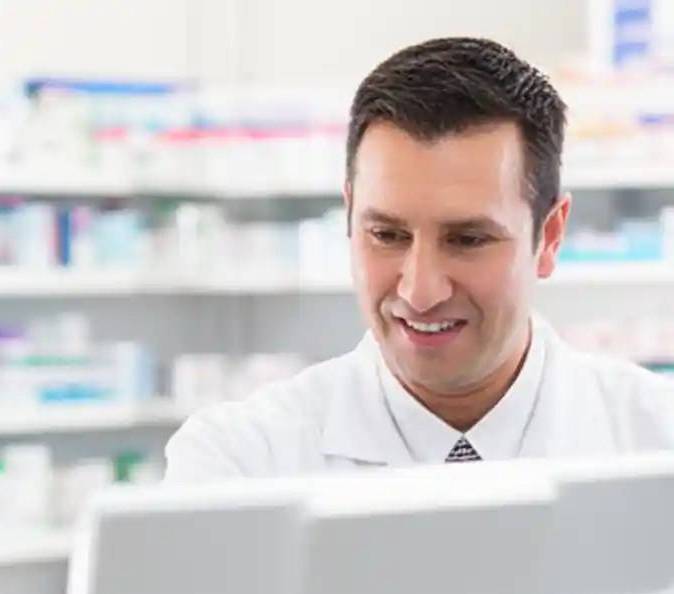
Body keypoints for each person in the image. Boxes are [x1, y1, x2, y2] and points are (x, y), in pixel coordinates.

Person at [164, 37, 674, 481]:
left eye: (468, 239)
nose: (419, 291)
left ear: (551, 235)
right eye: (387, 234)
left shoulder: (656, 441)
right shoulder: (237, 463)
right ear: (349, 218)